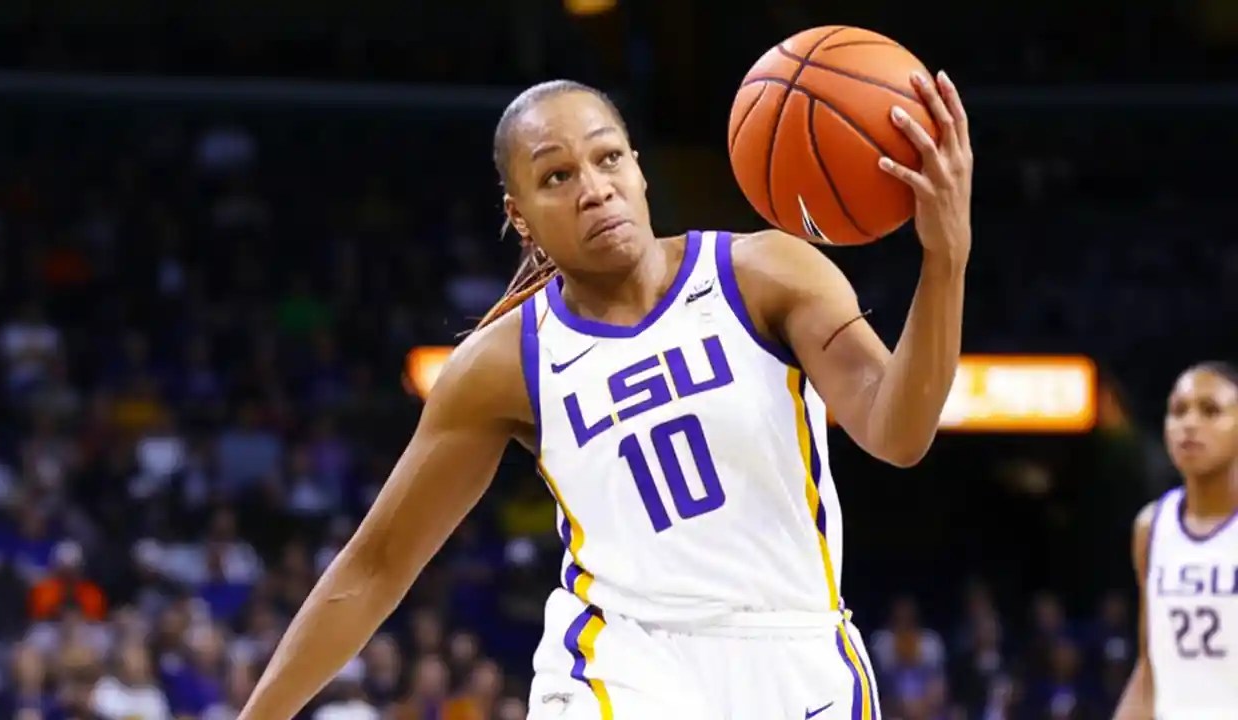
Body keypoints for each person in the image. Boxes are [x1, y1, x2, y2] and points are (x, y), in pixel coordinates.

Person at [239, 69, 973, 720]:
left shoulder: (766, 273)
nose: (594, 188)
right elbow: (376, 567)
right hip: (624, 662)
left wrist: (945, 259)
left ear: (639, 169)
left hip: (798, 655)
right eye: (556, 177)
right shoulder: (503, 364)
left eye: (608, 157)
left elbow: (897, 433)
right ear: (519, 214)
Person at [1114, 362, 1238, 720]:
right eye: (1178, 410)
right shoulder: (1152, 528)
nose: (1190, 423)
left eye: (1210, 410)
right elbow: (1150, 669)